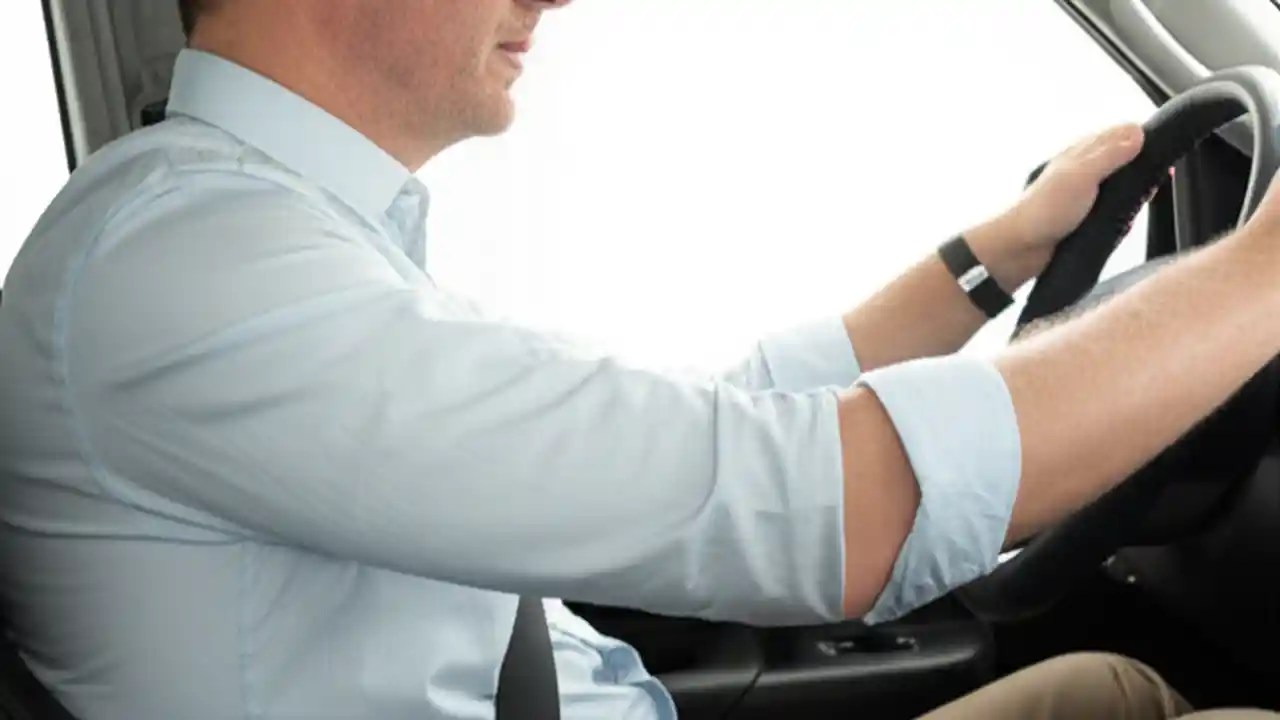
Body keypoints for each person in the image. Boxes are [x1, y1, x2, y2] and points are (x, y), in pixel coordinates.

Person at [0, 1, 1275, 718]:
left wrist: (990, 257)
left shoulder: (273, 235)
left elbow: (686, 433)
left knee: (1110, 693)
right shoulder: (192, 272)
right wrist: (1258, 276)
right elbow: (822, 505)